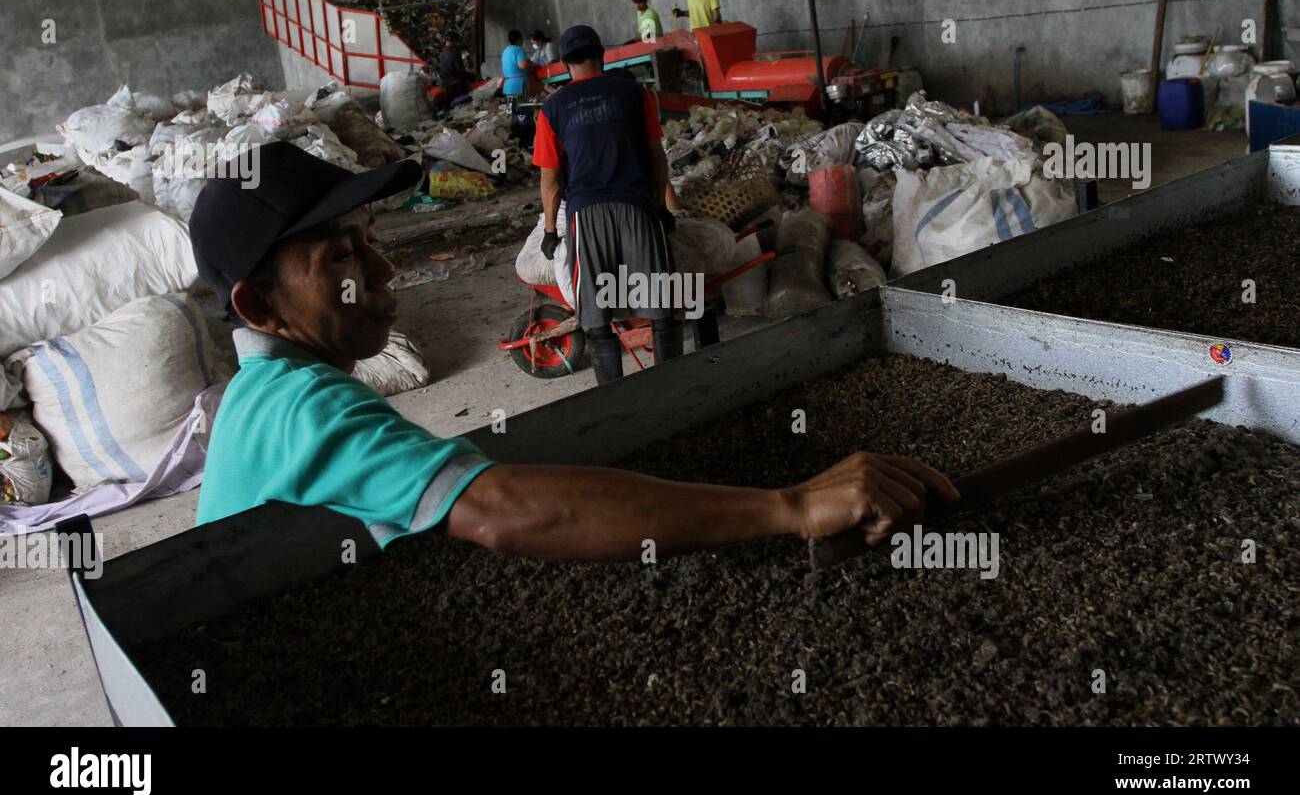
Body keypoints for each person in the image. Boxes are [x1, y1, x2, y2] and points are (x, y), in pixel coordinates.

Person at [187, 140, 958, 557]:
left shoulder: (257, 401)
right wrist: (788, 507)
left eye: (371, 242)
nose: (385, 271)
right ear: (259, 306)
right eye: (341, 258)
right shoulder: (310, 410)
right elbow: (502, 510)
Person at [532, 25, 687, 384]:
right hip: (637, 205)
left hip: (586, 214)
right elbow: (656, 157)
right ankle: (675, 386)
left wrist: (552, 231)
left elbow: (551, 179)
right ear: (601, 54)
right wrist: (662, 208)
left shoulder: (552, 109)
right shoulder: (634, 93)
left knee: (596, 310)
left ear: (563, 63)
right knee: (661, 301)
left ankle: (612, 395)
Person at [438, 35, 471, 104]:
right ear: (453, 42)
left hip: (447, 83)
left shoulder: (441, 53)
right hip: (456, 83)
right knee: (462, 102)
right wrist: (468, 76)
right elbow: (460, 70)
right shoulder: (455, 52)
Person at [501, 29, 533, 98]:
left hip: (508, 86)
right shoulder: (518, 49)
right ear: (520, 39)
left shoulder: (505, 51)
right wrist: (532, 64)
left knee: (512, 108)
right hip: (519, 86)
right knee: (523, 107)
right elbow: (523, 65)